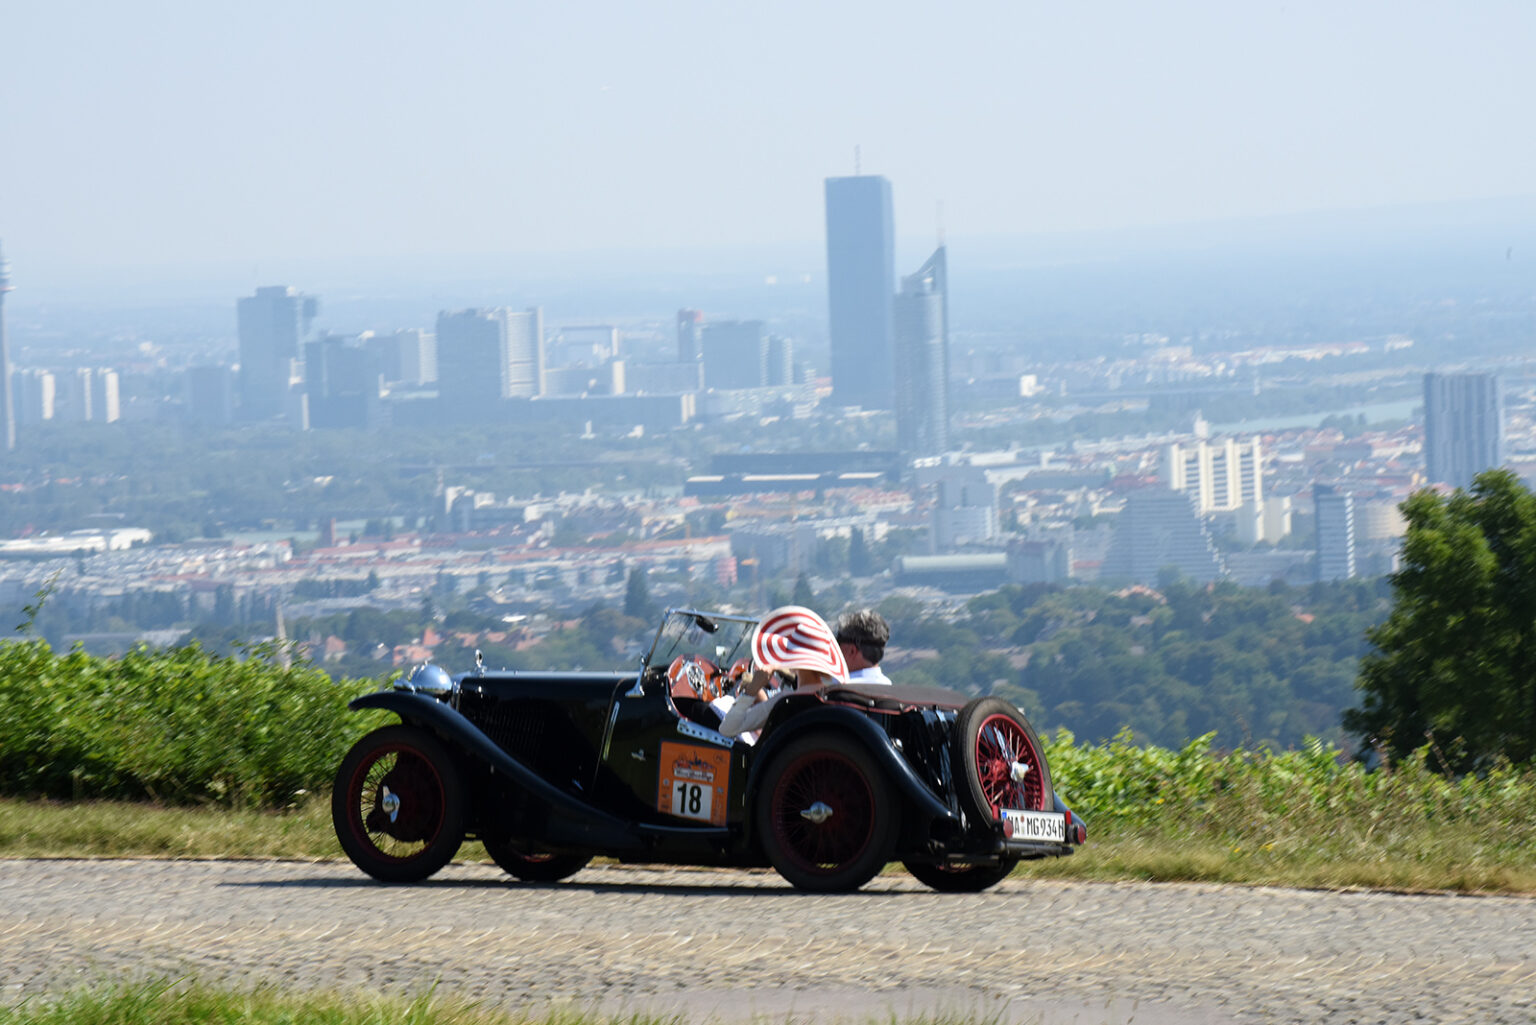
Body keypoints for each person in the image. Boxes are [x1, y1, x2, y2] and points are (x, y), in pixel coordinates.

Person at [718, 605, 848, 740]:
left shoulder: (784, 701)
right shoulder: (839, 699)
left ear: (792, 659)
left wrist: (753, 689)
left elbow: (727, 728)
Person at [834, 608, 893, 685]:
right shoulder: (890, 688)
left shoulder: (834, 691)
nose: (834, 650)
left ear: (852, 651)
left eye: (838, 643)